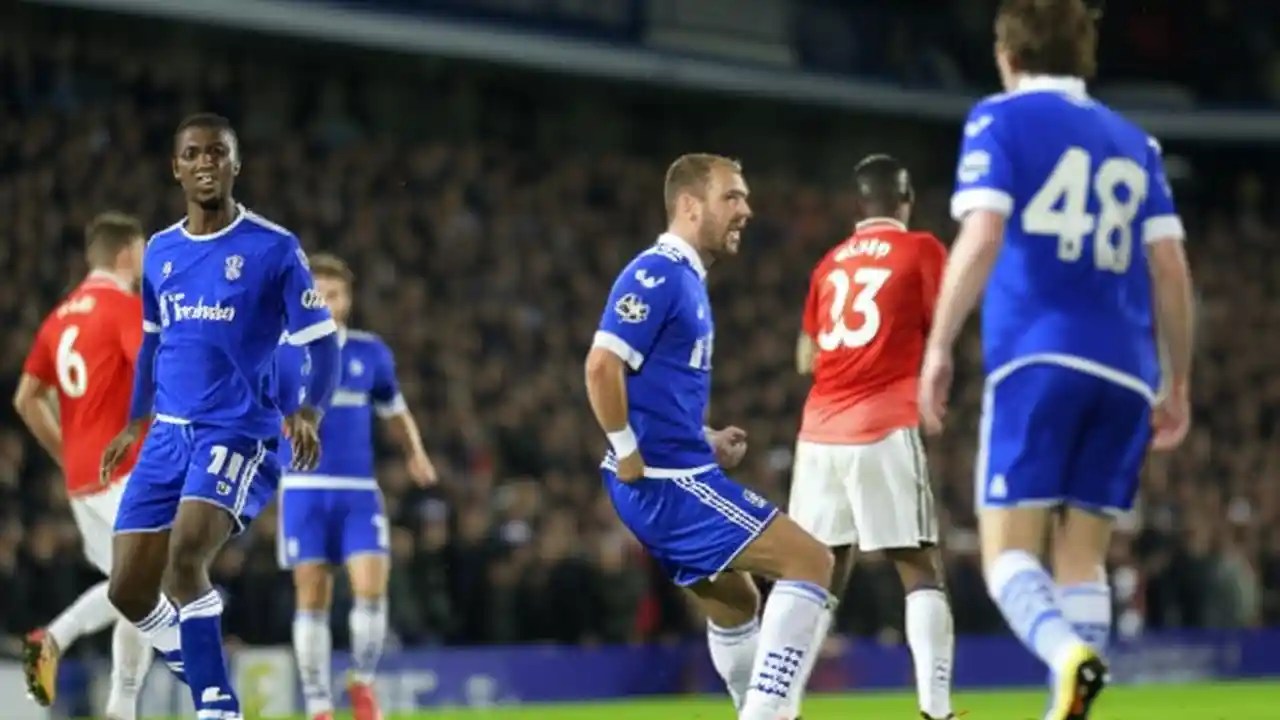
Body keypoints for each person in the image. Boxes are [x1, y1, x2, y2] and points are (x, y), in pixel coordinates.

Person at [918, 2, 1195, 718]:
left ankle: (1068, 655)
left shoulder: (999, 119)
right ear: (1085, 57)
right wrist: (1179, 380)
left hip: (1039, 356)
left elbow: (981, 234)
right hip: (1128, 371)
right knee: (1083, 560)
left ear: (1007, 54)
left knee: (1007, 554)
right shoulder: (1139, 144)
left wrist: (940, 344)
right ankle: (1067, 707)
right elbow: (1170, 267)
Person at [100, 112, 342, 720]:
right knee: (126, 590)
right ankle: (200, 659)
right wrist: (134, 421)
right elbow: (155, 344)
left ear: (236, 164)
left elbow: (324, 343)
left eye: (217, 153)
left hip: (237, 431)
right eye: (193, 154)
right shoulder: (160, 251)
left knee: (185, 557)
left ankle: (217, 705)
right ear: (175, 167)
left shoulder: (273, 248)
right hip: (167, 435)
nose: (205, 162)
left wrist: (309, 410)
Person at [584, 153, 835, 720]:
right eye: (733, 197)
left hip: (680, 468)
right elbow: (601, 365)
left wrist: (703, 438)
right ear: (690, 206)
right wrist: (627, 449)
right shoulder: (658, 273)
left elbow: (652, 389)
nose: (746, 209)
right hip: (668, 483)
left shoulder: (687, 279)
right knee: (811, 562)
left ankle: (755, 706)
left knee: (738, 604)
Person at [791, 154, 955, 720]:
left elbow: (805, 355)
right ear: (904, 200)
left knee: (818, 573)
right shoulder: (922, 249)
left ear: (859, 205)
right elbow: (942, 321)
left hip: (817, 432)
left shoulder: (828, 263)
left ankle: (777, 704)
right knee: (918, 566)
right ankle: (935, 709)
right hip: (882, 422)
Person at [276, 253, 438, 720]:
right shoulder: (284, 351)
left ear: (348, 300)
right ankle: (319, 704)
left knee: (371, 586)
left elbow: (395, 410)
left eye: (335, 294)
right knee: (312, 595)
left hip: (357, 490)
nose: (326, 302)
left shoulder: (370, 352)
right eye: (318, 294)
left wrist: (416, 452)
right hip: (303, 490)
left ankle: (361, 682)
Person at [14, 212, 154, 720]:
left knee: (133, 585)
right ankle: (54, 638)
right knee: (147, 580)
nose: (144, 260)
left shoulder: (60, 316)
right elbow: (152, 372)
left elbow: (27, 398)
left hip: (82, 477)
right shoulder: (123, 307)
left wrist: (64, 451)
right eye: (141, 250)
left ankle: (121, 708)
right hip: (122, 470)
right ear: (125, 254)